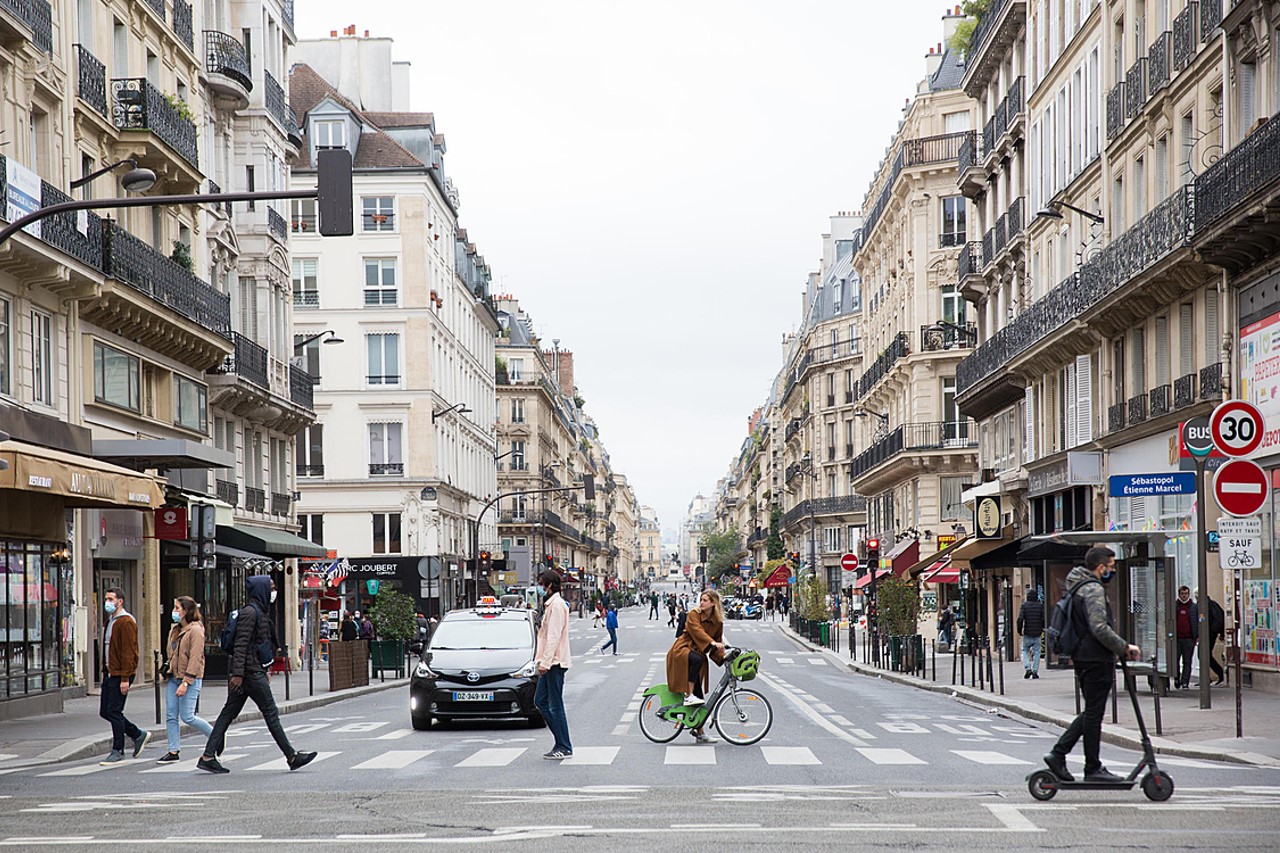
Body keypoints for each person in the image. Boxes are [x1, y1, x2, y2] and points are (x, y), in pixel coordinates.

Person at [197, 576, 317, 774]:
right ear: (261, 589)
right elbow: (241, 645)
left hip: (249, 671)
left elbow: (257, 644)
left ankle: (208, 756)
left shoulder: (257, 611)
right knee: (270, 712)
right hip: (249, 673)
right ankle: (291, 756)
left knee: (228, 714)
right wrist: (238, 674)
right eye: (270, 588)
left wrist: (262, 669)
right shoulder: (251, 613)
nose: (273, 591)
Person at [1043, 546, 1141, 784]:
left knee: (1091, 712)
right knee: (1094, 713)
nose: (1112, 571)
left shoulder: (1075, 585)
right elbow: (1099, 627)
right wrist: (1124, 646)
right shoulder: (1093, 589)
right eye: (1111, 567)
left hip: (1083, 656)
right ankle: (1089, 766)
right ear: (1100, 567)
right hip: (1096, 657)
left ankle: (1062, 756)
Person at [665, 589, 726, 744]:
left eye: (705, 600)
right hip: (683, 650)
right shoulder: (694, 614)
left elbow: (716, 646)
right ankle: (688, 694)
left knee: (699, 699)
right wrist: (712, 643)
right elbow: (697, 632)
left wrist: (724, 658)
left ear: (713, 603)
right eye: (701, 599)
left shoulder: (718, 622)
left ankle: (699, 732)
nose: (702, 602)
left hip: (696, 655)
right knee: (698, 660)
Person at [157, 596, 213, 763]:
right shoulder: (174, 630)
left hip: (190, 678)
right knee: (171, 715)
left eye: (177, 608)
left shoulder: (196, 630)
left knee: (188, 716)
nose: (174, 611)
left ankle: (215, 736)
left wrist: (186, 682)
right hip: (174, 677)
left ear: (186, 611)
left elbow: (196, 658)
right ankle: (173, 751)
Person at [99, 588, 149, 764]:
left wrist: (125, 678)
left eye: (111, 599)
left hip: (120, 674)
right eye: (106, 598)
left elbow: (129, 652)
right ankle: (137, 734)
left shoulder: (126, 621)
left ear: (120, 601)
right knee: (105, 711)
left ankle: (118, 749)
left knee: (114, 711)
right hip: (110, 672)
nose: (107, 602)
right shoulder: (111, 621)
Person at [533, 569, 573, 759]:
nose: (539, 587)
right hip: (550, 662)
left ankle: (564, 745)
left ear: (549, 585)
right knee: (540, 701)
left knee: (555, 705)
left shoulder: (556, 606)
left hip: (554, 663)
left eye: (541, 583)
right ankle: (560, 742)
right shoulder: (551, 604)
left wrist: (545, 663)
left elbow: (553, 637)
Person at [1174, 585, 1199, 689]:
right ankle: (1176, 678)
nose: (1184, 596)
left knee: (1187, 661)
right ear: (1179, 594)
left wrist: (1196, 636)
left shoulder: (1193, 607)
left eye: (1186, 594)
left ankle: (1185, 682)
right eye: (1182, 594)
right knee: (1175, 660)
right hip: (1176, 639)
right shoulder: (1175, 606)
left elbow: (1197, 622)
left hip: (1189, 639)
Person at [1017, 590, 1045, 680]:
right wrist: (1042, 628)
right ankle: (1035, 671)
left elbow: (1020, 619)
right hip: (1037, 633)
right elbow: (1043, 619)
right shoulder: (1040, 606)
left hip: (1027, 633)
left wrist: (1019, 630)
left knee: (1024, 650)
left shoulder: (1024, 606)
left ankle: (1028, 668)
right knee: (1037, 652)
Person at [1206, 594, 1226, 686]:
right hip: (1209, 633)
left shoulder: (1210, 605)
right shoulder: (1210, 604)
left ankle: (1219, 673)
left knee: (1204, 655)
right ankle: (1207, 677)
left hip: (1209, 634)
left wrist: (1213, 631)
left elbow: (1219, 619)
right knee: (1204, 656)